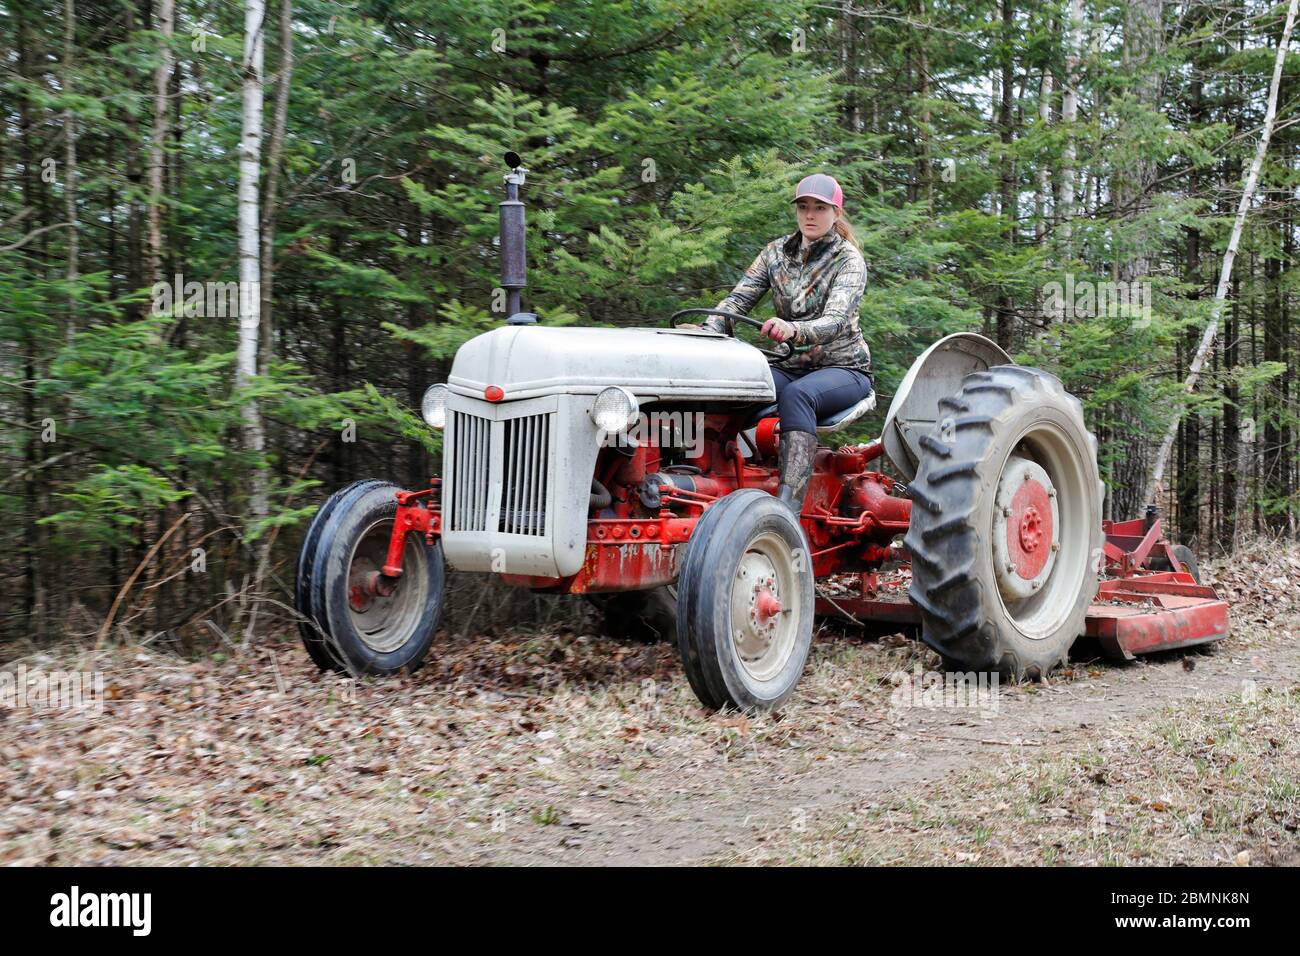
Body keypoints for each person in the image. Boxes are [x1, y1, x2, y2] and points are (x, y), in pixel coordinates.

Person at [703, 173, 873, 509]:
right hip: (790, 363)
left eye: (820, 208)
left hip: (843, 368)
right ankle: (716, 481)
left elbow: (836, 321)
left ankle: (788, 505)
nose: (810, 215)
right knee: (735, 387)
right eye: (803, 207)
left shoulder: (848, 260)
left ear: (836, 213)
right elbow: (737, 301)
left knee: (799, 396)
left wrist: (794, 329)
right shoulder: (775, 253)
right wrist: (708, 330)